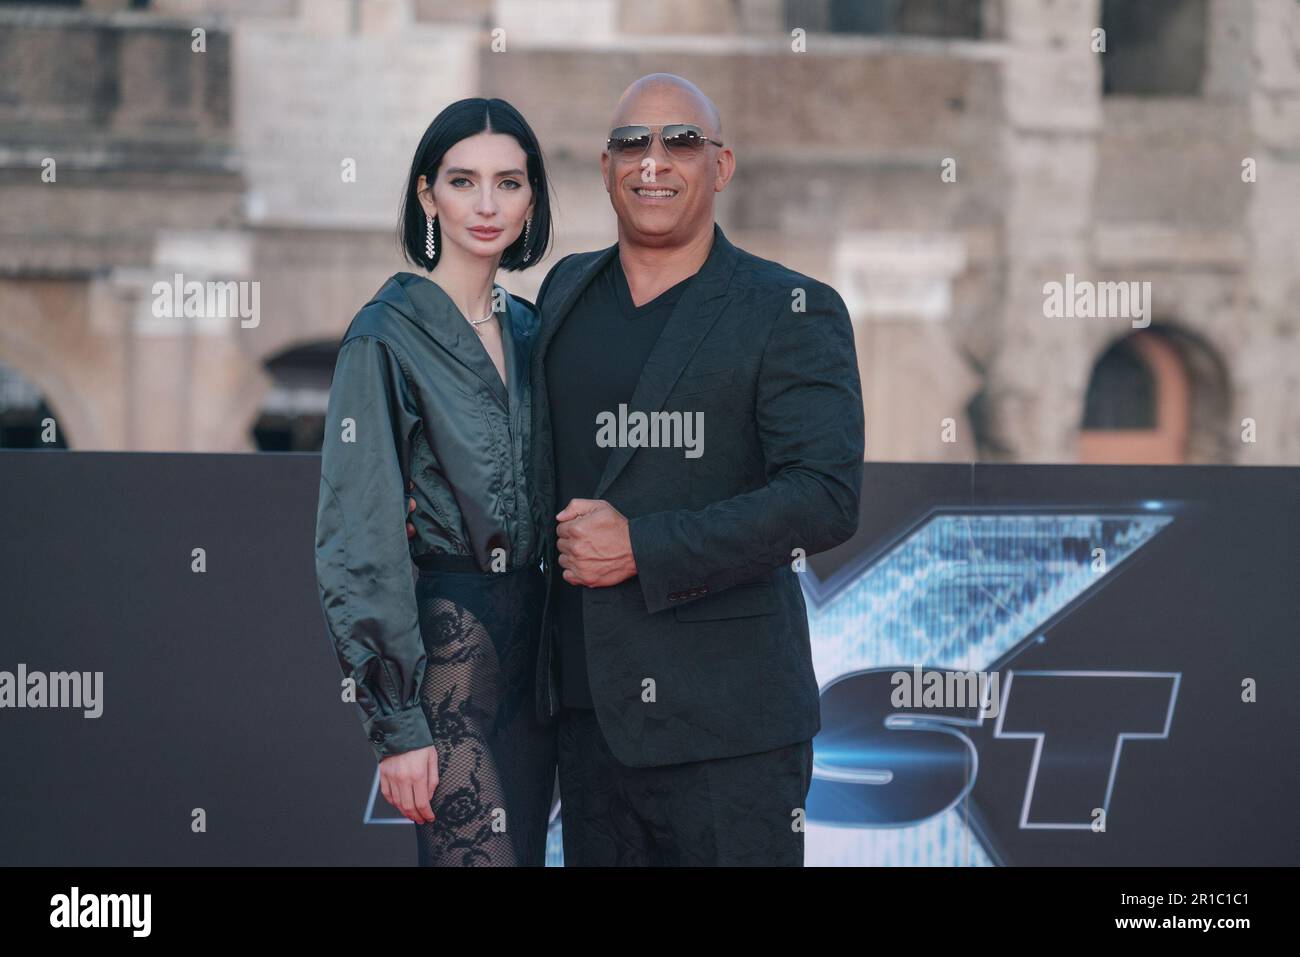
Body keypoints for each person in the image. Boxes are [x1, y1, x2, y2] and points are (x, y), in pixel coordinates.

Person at [527, 73, 866, 866]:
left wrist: (644, 548)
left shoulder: (789, 308)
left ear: (722, 165)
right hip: (584, 719)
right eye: (631, 144)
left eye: (681, 141)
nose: (654, 161)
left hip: (729, 732)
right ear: (606, 168)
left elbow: (825, 498)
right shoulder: (564, 288)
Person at [314, 98, 556, 866]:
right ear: (428, 194)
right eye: (463, 180)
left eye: (509, 183)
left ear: (532, 199)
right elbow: (359, 537)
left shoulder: (536, 330)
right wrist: (398, 726)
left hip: (542, 661)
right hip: (447, 666)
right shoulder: (383, 336)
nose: (487, 205)